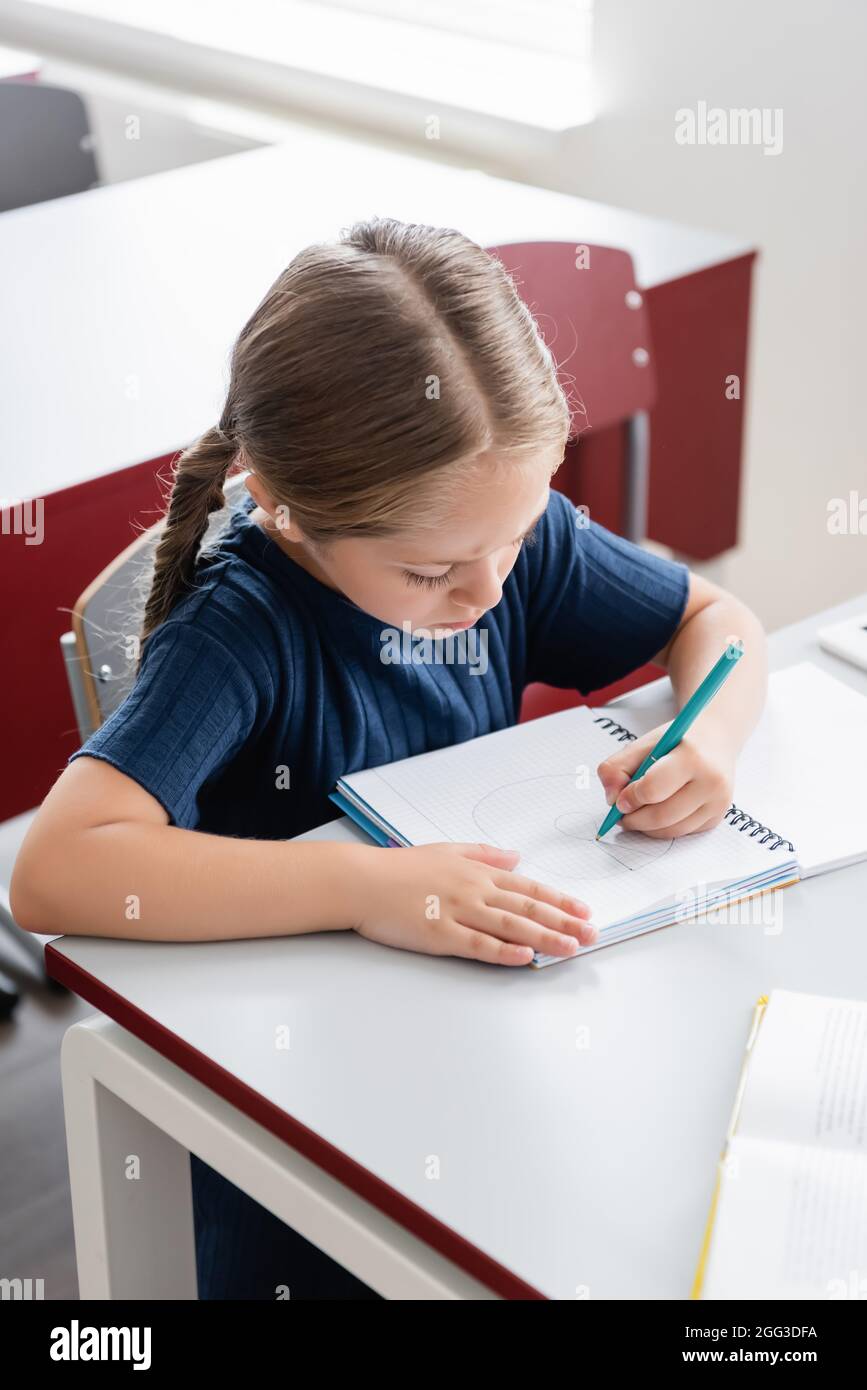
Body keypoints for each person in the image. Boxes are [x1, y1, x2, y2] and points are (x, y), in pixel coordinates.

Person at [11, 217, 767, 1298]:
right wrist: (366, 885)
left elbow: (718, 617)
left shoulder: (501, 534)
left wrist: (711, 741)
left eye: (510, 541)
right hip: (300, 1127)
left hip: (481, 1057)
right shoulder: (241, 625)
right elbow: (57, 864)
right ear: (282, 507)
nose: (489, 589)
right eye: (431, 572)